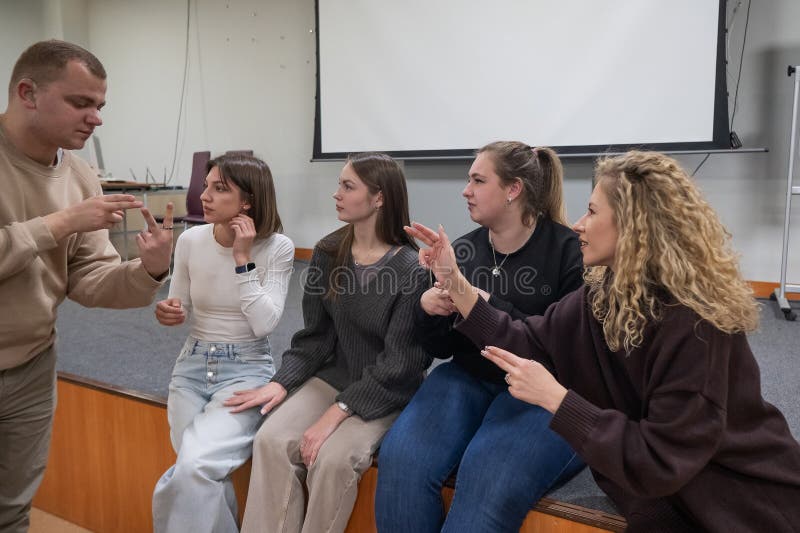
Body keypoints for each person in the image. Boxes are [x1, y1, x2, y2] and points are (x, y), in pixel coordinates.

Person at [408, 151, 800, 532]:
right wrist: (456, 284)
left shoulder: (695, 322)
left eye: (593, 211)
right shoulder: (603, 293)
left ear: (636, 226)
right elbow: (527, 340)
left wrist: (558, 400)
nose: (578, 224)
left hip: (736, 504)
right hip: (660, 498)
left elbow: (660, 458)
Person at [0, 40, 174, 532]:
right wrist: (58, 223)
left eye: (100, 106)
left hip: (31, 364)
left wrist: (148, 270)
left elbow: (90, 278)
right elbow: (56, 231)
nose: (96, 118)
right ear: (28, 93)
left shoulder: (79, 174)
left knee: (13, 509)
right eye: (81, 103)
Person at [375, 142, 585, 533]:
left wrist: (481, 302)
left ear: (513, 189)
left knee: (485, 478)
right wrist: (428, 307)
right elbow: (440, 348)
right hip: (471, 375)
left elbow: (563, 350)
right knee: (402, 460)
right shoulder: (466, 250)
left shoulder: (568, 251)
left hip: (543, 389)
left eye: (477, 179)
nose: (465, 190)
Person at [225, 152, 431, 533]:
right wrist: (280, 382)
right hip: (335, 377)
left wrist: (335, 413)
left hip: (385, 391)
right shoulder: (327, 252)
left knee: (333, 460)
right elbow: (314, 340)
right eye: (339, 184)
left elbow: (400, 364)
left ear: (379, 198)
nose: (336, 194)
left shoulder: (412, 269)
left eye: (347, 186)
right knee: (270, 439)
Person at [151, 154, 294, 533]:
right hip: (191, 366)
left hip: (246, 371)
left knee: (194, 467)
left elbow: (264, 323)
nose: (205, 195)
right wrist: (168, 311)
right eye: (206, 186)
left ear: (247, 201)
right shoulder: (191, 240)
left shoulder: (278, 247)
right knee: (197, 474)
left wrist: (242, 259)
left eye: (219, 189)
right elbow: (179, 303)